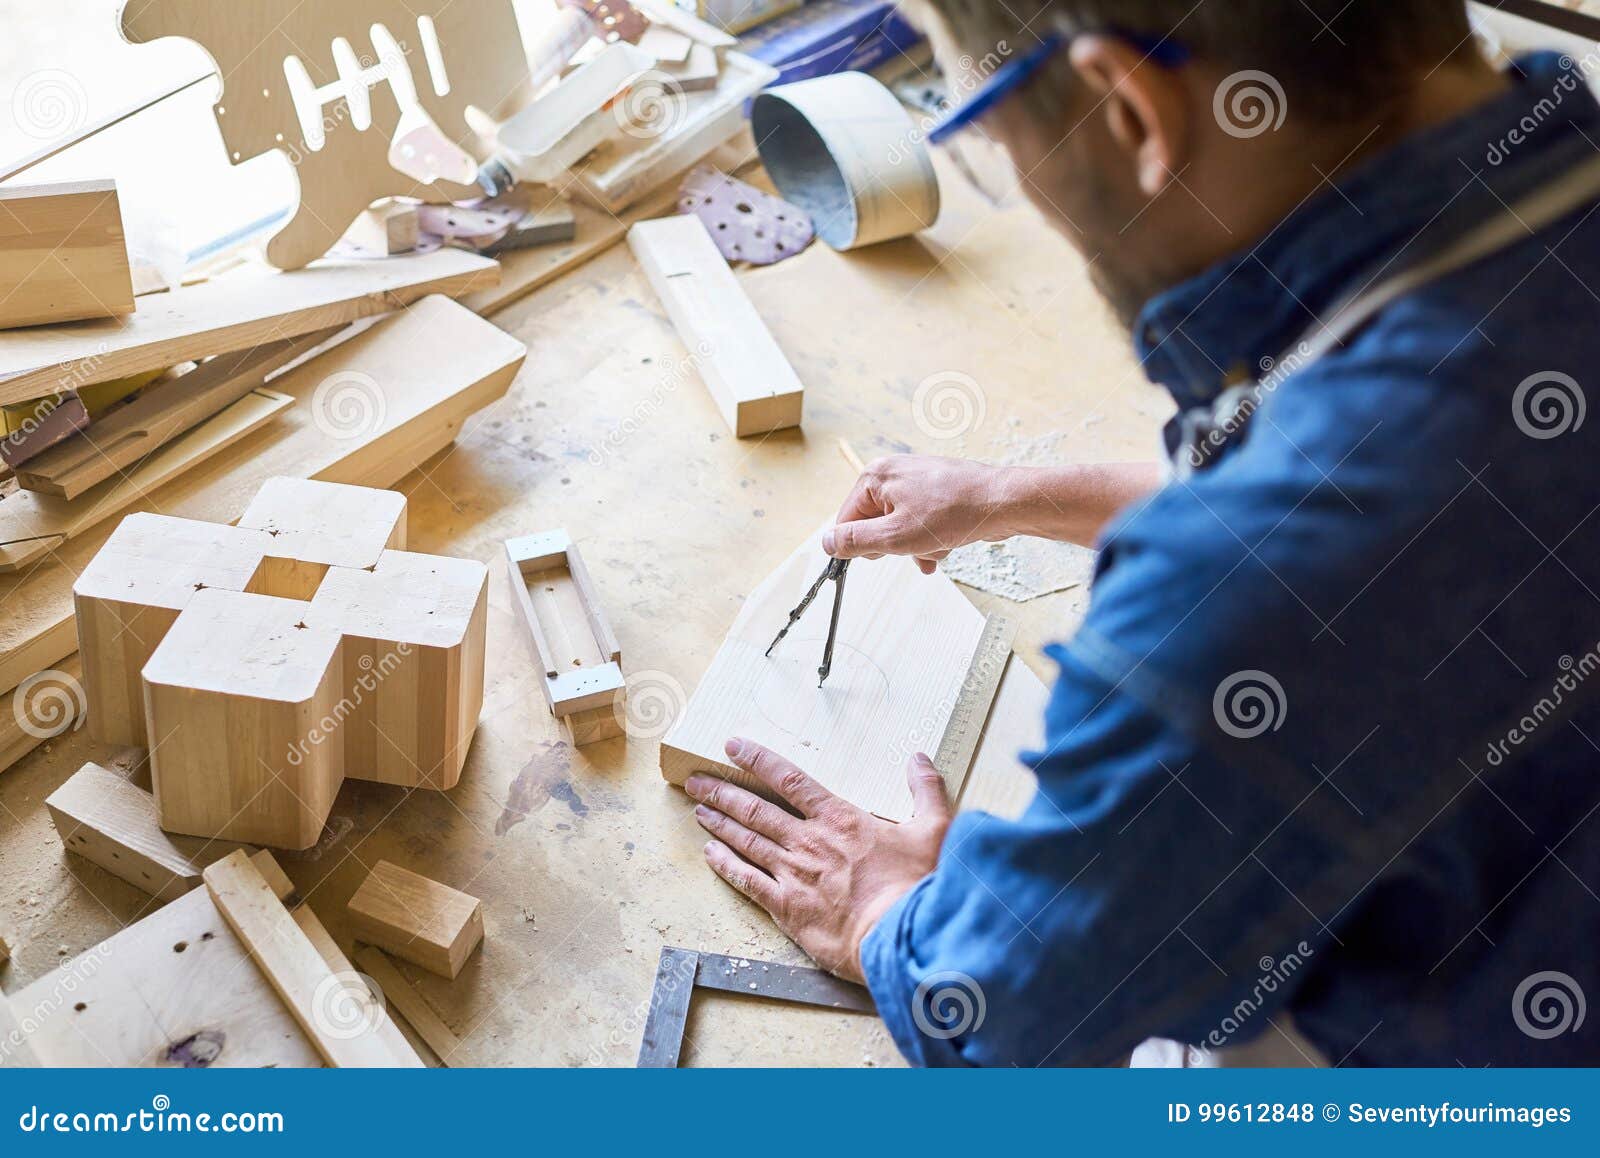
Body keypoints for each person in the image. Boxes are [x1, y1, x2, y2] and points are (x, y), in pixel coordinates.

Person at [684, 0, 1600, 1066]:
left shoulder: (1243, 600)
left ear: (1129, 111)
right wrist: (1006, 494)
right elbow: (1402, 487)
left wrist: (888, 911)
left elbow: (1009, 1023)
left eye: (991, 139)